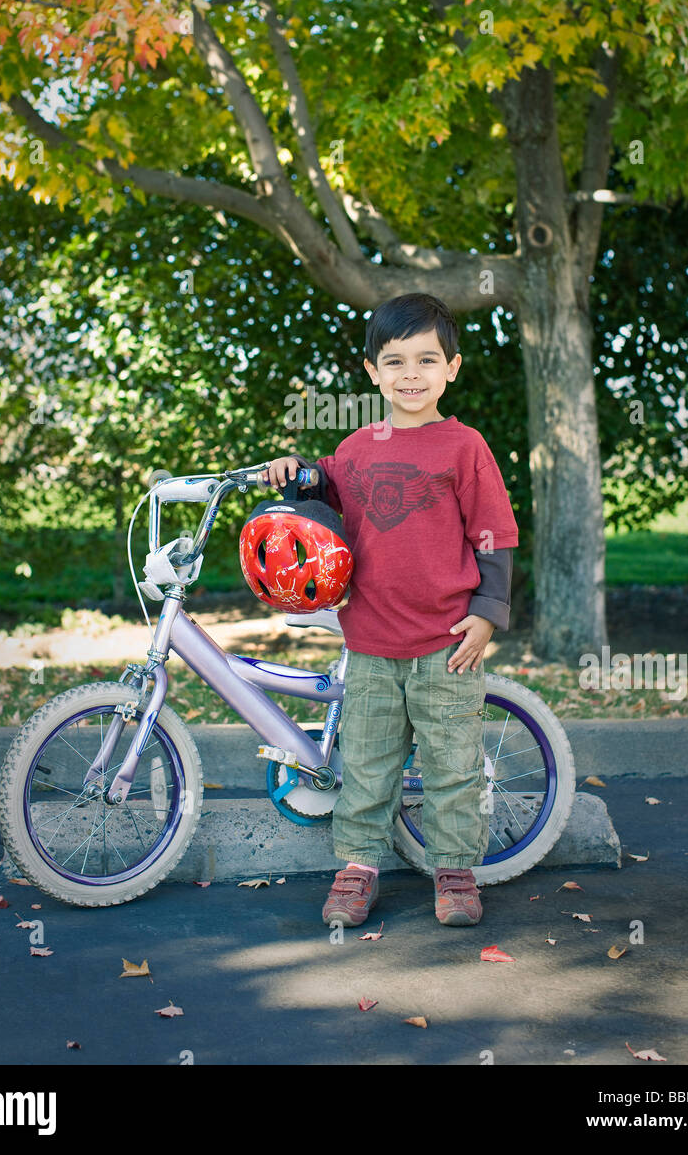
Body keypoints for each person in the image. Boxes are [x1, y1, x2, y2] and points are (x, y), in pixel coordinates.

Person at [261, 292, 518, 927]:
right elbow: (321, 483)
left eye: (427, 360)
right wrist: (294, 470)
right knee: (367, 765)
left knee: (452, 765)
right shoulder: (357, 448)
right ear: (373, 371)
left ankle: (454, 869)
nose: (411, 375)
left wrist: (487, 611)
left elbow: (495, 533)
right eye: (395, 361)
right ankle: (358, 867)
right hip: (370, 641)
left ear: (451, 369)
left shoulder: (465, 447)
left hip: (445, 642)